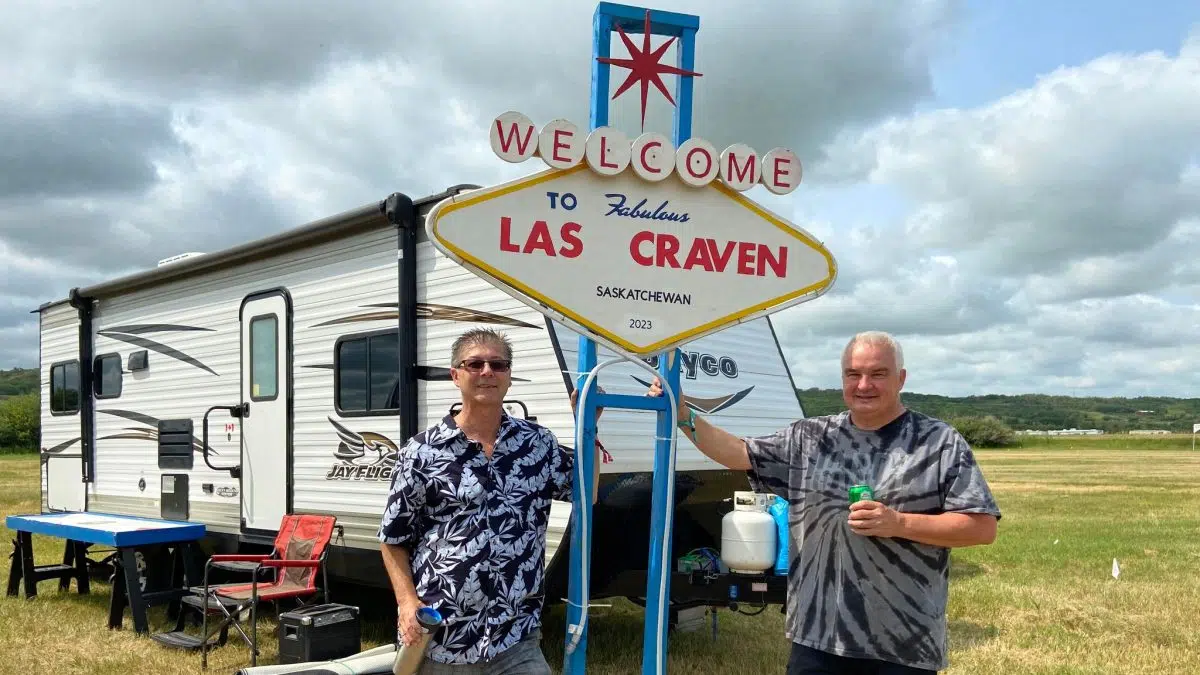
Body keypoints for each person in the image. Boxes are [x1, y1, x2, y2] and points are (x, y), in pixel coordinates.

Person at [648, 331, 1001, 675]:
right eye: (854, 374)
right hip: (816, 636)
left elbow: (981, 528)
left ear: (901, 378)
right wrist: (684, 415)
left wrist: (898, 523)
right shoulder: (810, 437)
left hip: (903, 643)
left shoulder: (938, 442)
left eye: (878, 374)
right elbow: (738, 453)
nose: (864, 385)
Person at [378, 327, 601, 674]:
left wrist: (588, 425)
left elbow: (588, 491)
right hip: (442, 640)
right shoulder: (422, 452)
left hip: (515, 636)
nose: (487, 372)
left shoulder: (537, 444)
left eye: (498, 365)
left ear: (509, 377)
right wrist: (407, 603)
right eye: (475, 364)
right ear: (455, 375)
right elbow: (393, 539)